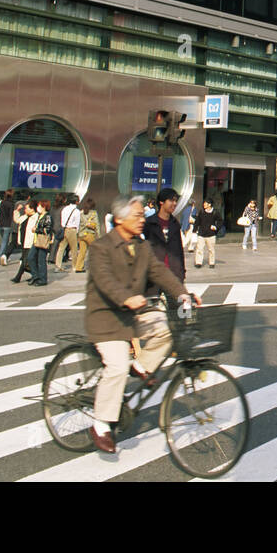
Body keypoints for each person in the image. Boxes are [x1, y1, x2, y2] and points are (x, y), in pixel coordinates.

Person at [83, 194, 198, 454]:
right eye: (136, 215)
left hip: (133, 314)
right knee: (116, 366)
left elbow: (159, 272)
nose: (141, 220)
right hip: (106, 317)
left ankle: (141, 365)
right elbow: (104, 280)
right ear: (120, 218)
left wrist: (182, 293)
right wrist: (127, 298)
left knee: (166, 328)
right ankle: (101, 424)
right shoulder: (101, 247)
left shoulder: (141, 246)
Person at [142, 187, 185, 290]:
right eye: (171, 200)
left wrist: (182, 272)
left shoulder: (175, 224)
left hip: (173, 277)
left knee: (176, 305)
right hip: (154, 278)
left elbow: (179, 250)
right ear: (161, 202)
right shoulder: (149, 223)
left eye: (175, 201)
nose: (174, 204)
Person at [54, 193, 81, 271]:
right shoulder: (76, 211)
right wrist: (77, 232)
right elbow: (77, 223)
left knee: (61, 248)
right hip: (72, 230)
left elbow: (62, 221)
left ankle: (58, 266)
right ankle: (74, 266)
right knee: (74, 249)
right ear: (76, 201)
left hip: (64, 229)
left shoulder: (64, 209)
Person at [193, 198, 221, 269]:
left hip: (211, 235)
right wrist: (194, 230)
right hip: (201, 234)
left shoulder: (215, 212)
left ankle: (211, 263)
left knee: (211, 250)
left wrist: (216, 227)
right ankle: (198, 262)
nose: (204, 204)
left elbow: (220, 221)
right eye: (204, 203)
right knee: (199, 249)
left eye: (205, 203)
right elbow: (197, 221)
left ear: (210, 204)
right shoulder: (201, 211)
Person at [75, 198, 99, 272]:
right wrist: (99, 235)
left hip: (81, 235)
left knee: (82, 252)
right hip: (89, 234)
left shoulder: (81, 213)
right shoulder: (93, 213)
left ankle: (78, 267)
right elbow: (96, 225)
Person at [0, 189, 16, 267]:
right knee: (4, 243)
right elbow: (11, 216)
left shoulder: (1, 202)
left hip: (0, 224)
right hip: (7, 225)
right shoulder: (11, 204)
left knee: (4, 242)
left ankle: (3, 256)